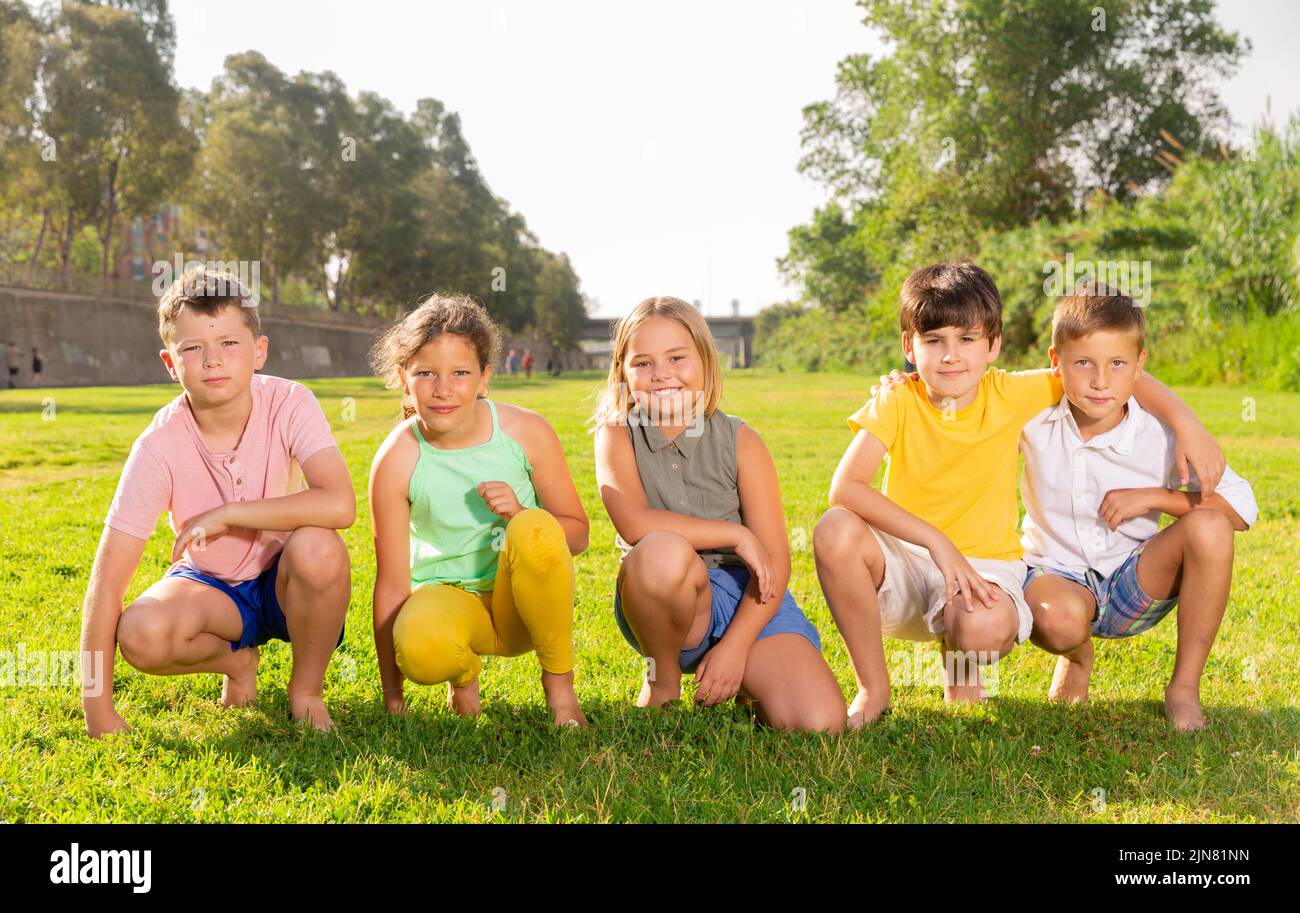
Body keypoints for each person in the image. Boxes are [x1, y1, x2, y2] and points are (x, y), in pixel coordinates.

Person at [813, 261, 1225, 726]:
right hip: (905, 564)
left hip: (984, 566)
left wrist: (1187, 422)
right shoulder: (896, 399)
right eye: (934, 341)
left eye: (967, 340)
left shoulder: (1012, 393)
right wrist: (936, 541)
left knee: (982, 627)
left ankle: (962, 673)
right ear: (910, 347)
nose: (951, 356)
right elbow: (844, 488)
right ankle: (874, 690)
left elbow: (1108, 366)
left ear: (993, 346)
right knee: (835, 530)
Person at [80, 265, 354, 738]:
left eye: (229, 343)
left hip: (284, 583)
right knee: (142, 634)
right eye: (192, 348)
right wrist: (97, 710)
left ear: (259, 351)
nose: (212, 361)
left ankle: (306, 691)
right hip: (213, 588)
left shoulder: (290, 401)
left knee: (319, 547)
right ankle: (237, 662)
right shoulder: (158, 445)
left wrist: (230, 514)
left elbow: (339, 505)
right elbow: (107, 585)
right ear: (171, 364)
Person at [592, 295, 845, 732]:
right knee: (662, 552)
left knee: (820, 723)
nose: (661, 374)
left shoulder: (742, 441)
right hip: (671, 600)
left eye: (676, 357)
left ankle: (746, 676)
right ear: (623, 375)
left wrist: (736, 647)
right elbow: (634, 524)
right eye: (643, 363)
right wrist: (734, 535)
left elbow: (776, 565)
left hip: (749, 597)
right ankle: (664, 680)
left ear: (706, 363)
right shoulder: (616, 436)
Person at [1020, 284, 1257, 730]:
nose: (1100, 381)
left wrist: (1153, 497)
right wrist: (905, 385)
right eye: (1083, 363)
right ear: (1056, 362)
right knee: (1061, 622)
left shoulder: (1161, 436)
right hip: (1057, 579)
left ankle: (1184, 688)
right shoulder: (1032, 421)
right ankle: (1076, 657)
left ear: (1139, 367)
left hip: (1135, 578)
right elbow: (968, 400)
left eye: (1117, 364)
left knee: (1209, 527)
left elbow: (1241, 508)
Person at [369, 294, 589, 726]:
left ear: (485, 377)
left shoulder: (527, 431)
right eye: (426, 373)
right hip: (450, 600)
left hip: (525, 607)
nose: (443, 389)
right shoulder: (397, 457)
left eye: (461, 373)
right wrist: (393, 695)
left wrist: (520, 514)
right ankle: (462, 673)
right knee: (419, 647)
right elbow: (392, 584)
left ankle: (560, 690)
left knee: (533, 527)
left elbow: (578, 535)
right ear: (402, 377)